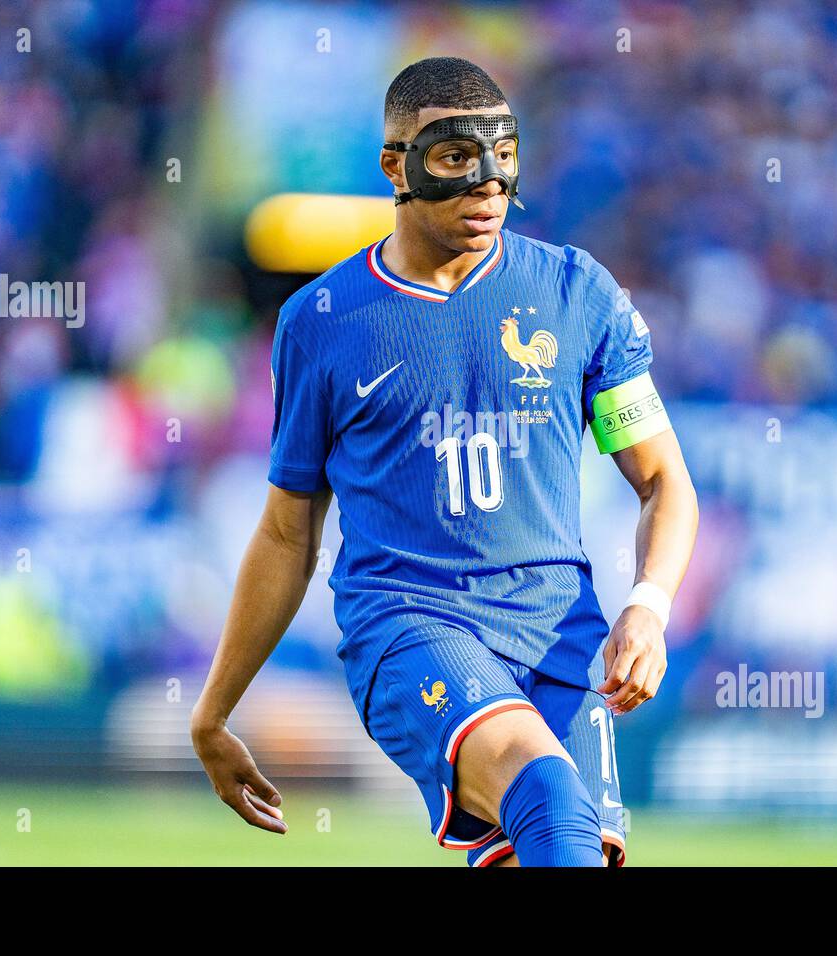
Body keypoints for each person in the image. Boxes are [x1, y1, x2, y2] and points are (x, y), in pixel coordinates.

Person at [191, 56, 698, 867]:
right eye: (454, 160)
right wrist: (213, 712)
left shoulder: (577, 295)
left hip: (559, 637)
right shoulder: (321, 321)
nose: (486, 183)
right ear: (396, 166)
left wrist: (648, 604)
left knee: (560, 846)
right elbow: (289, 536)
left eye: (501, 158)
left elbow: (664, 481)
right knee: (551, 800)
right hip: (410, 625)